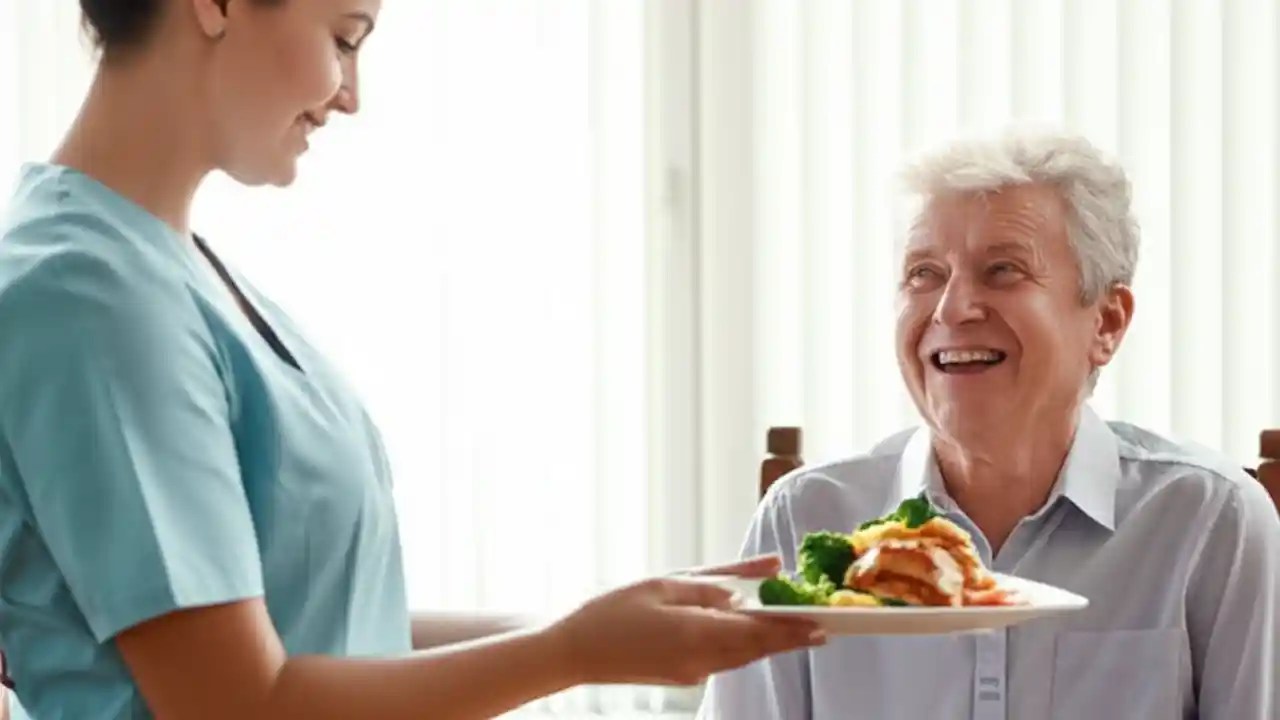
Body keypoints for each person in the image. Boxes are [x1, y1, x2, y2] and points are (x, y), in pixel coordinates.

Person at [0, 1, 828, 718]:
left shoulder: (171, 273)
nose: (351, 95)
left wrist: (609, 622)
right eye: (345, 36)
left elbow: (337, 626)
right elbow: (236, 705)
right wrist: (571, 651)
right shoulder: (87, 295)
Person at [698, 130, 1280, 719]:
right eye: (923, 274)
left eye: (1003, 270)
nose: (951, 309)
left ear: (1105, 323)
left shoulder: (1211, 521)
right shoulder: (804, 514)